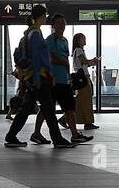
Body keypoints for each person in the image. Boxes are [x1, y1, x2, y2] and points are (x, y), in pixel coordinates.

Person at [5, 5, 72, 148]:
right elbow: (37, 57)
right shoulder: (35, 33)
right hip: (39, 77)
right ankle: (58, 139)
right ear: (42, 16)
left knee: (26, 109)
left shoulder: (29, 33)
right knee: (48, 109)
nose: (46, 18)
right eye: (45, 15)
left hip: (32, 76)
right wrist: (39, 77)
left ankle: (11, 137)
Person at [37, 15, 90, 144]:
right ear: (53, 26)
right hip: (53, 80)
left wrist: (68, 77)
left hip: (64, 81)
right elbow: (50, 58)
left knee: (69, 108)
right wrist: (63, 64)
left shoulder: (65, 41)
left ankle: (75, 134)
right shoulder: (50, 40)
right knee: (46, 108)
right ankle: (37, 133)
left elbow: (65, 59)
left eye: (63, 23)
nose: (61, 25)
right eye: (58, 23)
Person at [70, 32, 101, 131]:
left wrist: (91, 62)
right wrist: (93, 60)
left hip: (82, 77)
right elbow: (84, 62)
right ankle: (87, 122)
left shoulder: (78, 50)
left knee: (81, 100)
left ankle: (67, 118)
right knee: (85, 100)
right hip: (83, 78)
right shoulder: (79, 50)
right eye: (83, 38)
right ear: (78, 40)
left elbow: (84, 64)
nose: (85, 40)